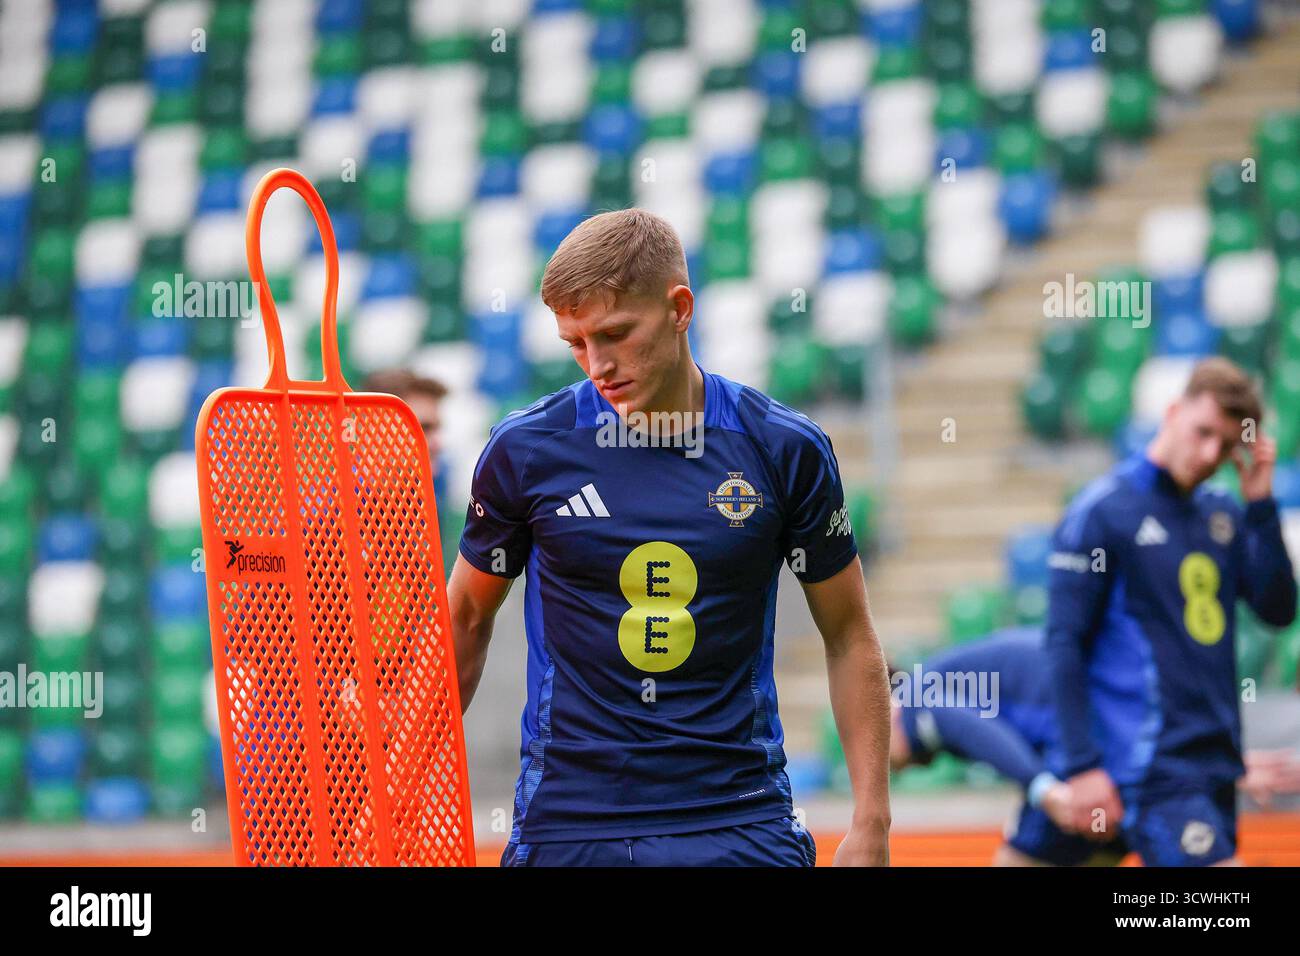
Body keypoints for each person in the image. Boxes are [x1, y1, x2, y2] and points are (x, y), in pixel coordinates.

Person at [447, 209, 892, 866]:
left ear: (680, 307)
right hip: (570, 822)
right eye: (575, 343)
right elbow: (465, 615)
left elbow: (849, 634)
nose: (596, 364)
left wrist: (872, 820)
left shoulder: (782, 449)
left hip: (739, 817)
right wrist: (400, 775)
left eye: (615, 334)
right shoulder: (527, 450)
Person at [1045, 357, 1298, 866]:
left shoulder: (1222, 513)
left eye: (1226, 445)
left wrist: (1261, 503)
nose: (1209, 453)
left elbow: (1277, 609)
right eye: (1202, 431)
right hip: (1150, 766)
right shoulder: (1104, 511)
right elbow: (1064, 643)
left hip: (1215, 767)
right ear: (1173, 412)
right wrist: (1082, 766)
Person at [889, 626, 1300, 866]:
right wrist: (1213, 760)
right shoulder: (948, 678)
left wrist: (1042, 790)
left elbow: (976, 731)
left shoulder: (915, 695)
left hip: (1083, 758)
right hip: (1103, 749)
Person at [362, 368, 448, 480]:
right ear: (373, 429)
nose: (438, 445)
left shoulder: (426, 494)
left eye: (436, 429)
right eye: (423, 428)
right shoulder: (337, 495)